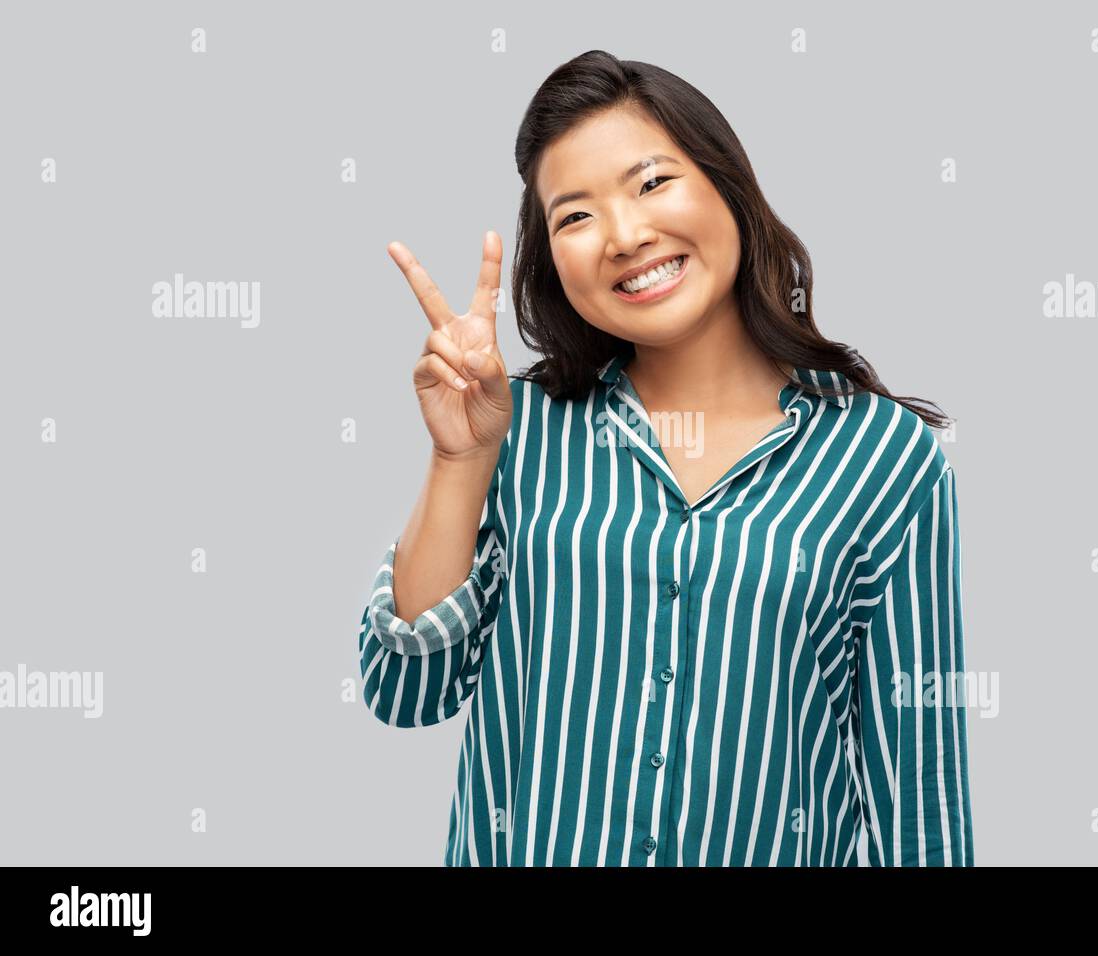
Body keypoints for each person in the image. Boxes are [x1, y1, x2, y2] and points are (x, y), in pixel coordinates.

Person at [358, 50, 974, 867]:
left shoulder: (884, 460)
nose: (624, 236)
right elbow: (407, 693)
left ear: (728, 186)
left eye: (652, 183)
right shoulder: (520, 428)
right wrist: (459, 459)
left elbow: (918, 796)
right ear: (552, 258)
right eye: (574, 216)